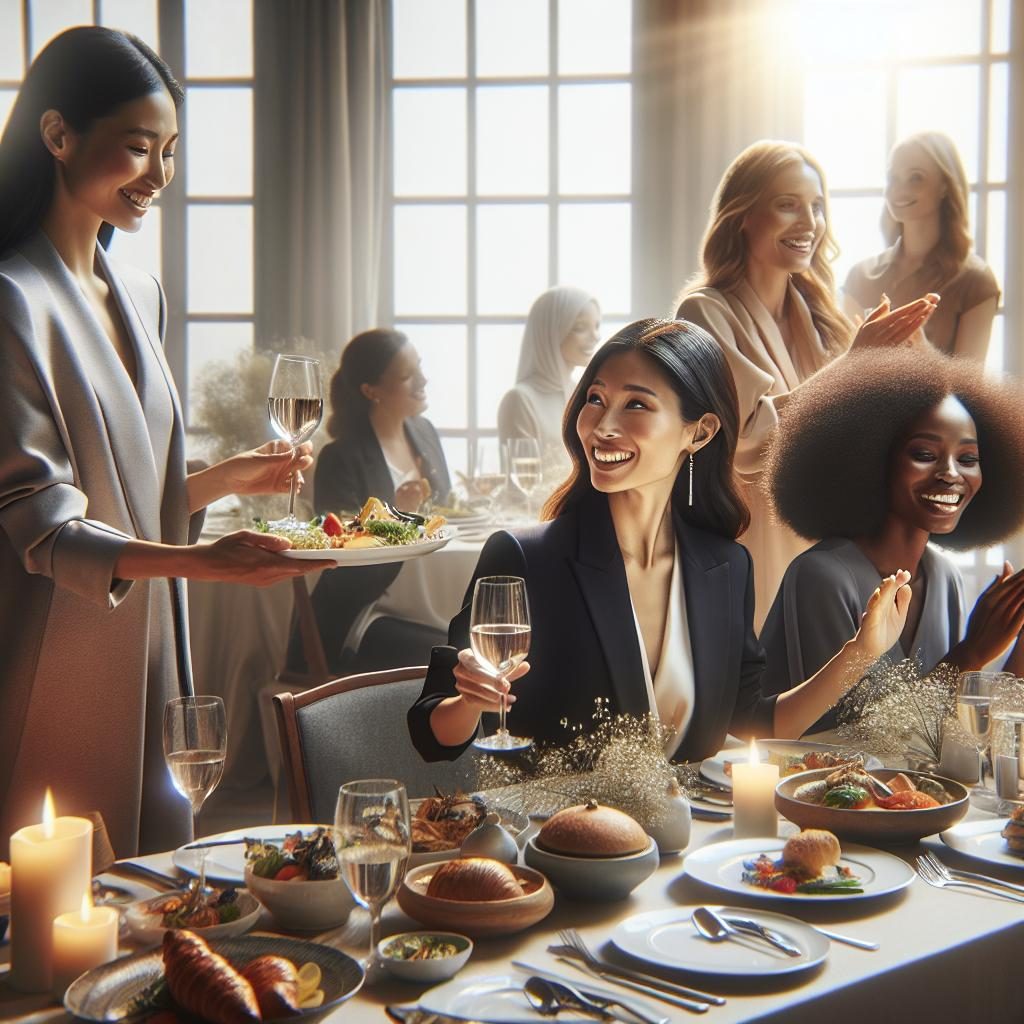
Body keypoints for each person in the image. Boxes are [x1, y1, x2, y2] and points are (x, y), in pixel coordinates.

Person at [0, 27, 331, 860]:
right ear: (58, 136)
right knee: (67, 899)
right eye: (138, 148)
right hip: (57, 657)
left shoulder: (137, 289)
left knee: (155, 889)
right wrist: (207, 564)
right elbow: (44, 529)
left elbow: (126, 487)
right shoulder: (12, 300)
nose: (160, 177)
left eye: (171, 151)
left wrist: (223, 478)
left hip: (155, 641)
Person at [408, 319, 912, 764]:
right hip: (552, 848)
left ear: (699, 432)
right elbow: (433, 736)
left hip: (686, 846)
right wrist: (471, 700)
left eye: (636, 405)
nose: (603, 427)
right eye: (596, 400)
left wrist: (861, 652)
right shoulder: (525, 558)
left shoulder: (727, 566)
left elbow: (755, 722)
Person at [676, 140, 938, 627]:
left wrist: (899, 364)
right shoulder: (704, 312)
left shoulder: (821, 318)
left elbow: (851, 433)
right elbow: (742, 437)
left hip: (827, 544)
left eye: (817, 207)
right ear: (743, 215)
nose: (810, 222)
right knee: (765, 686)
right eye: (788, 204)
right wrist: (851, 365)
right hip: (751, 542)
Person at [760, 346, 1024, 732]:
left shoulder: (943, 576)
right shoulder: (821, 576)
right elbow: (841, 744)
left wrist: (1016, 640)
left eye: (968, 459)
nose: (951, 474)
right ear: (870, 459)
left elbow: (947, 732)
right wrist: (972, 653)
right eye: (924, 453)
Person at [288, 328, 451, 674]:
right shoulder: (341, 457)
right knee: (452, 655)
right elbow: (341, 554)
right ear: (370, 390)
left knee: (477, 634)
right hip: (362, 612)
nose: (423, 380)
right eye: (407, 376)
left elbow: (445, 508)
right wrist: (397, 513)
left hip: (426, 598)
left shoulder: (425, 433)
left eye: (419, 367)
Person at [843, 132, 1000, 362]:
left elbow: (971, 390)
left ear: (945, 186)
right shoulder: (860, 277)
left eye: (915, 177)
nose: (899, 189)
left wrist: (924, 351)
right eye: (892, 178)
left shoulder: (975, 281)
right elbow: (846, 375)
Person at [497, 286, 601, 464]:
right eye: (580, 327)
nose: (596, 336)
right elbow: (520, 483)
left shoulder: (585, 393)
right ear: (551, 332)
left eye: (597, 326)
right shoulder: (520, 400)